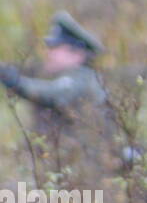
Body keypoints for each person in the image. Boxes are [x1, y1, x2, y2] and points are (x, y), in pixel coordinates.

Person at [0, 11, 115, 183]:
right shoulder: (73, 77)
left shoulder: (81, 79)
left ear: (77, 54)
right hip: (68, 172)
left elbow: (52, 94)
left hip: (81, 175)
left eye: (55, 48)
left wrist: (15, 81)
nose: (48, 53)